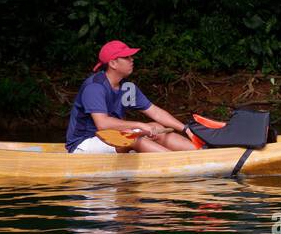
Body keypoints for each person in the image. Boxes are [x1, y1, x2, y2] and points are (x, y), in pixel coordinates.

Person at [65, 40, 197, 154]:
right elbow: (103, 124)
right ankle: (177, 162)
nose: (132, 59)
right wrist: (140, 125)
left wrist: (186, 129)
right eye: (126, 57)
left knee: (157, 128)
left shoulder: (126, 87)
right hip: (84, 143)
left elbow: (155, 112)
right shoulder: (95, 87)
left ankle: (201, 153)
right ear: (113, 63)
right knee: (133, 138)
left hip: (113, 137)